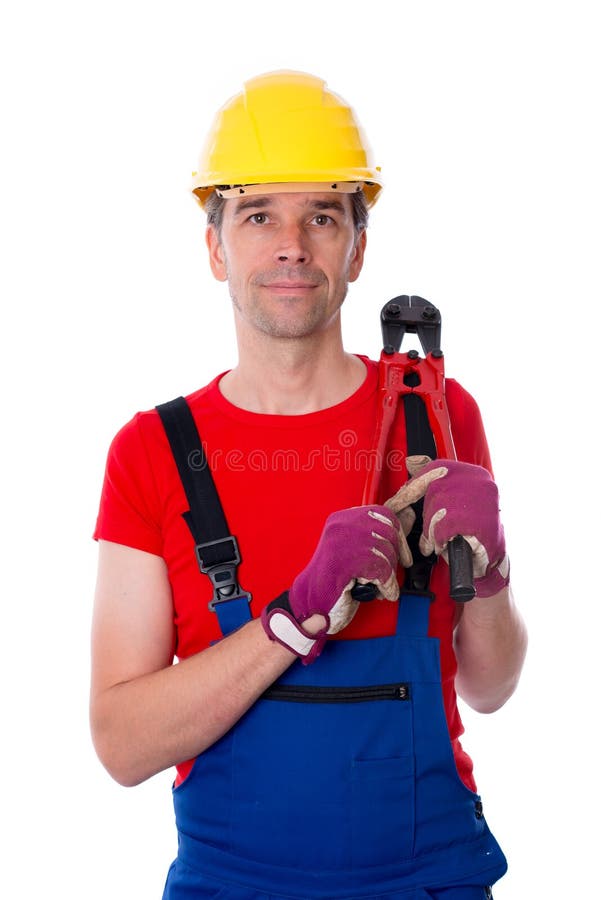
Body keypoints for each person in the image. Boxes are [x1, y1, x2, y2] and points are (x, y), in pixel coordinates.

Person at [90, 70, 527, 899]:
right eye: (258, 215)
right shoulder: (151, 451)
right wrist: (289, 622)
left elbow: (491, 687)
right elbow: (122, 745)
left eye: (321, 216)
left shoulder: (433, 417)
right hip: (229, 884)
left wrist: (494, 574)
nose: (290, 244)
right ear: (215, 247)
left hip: (428, 880)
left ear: (356, 247)